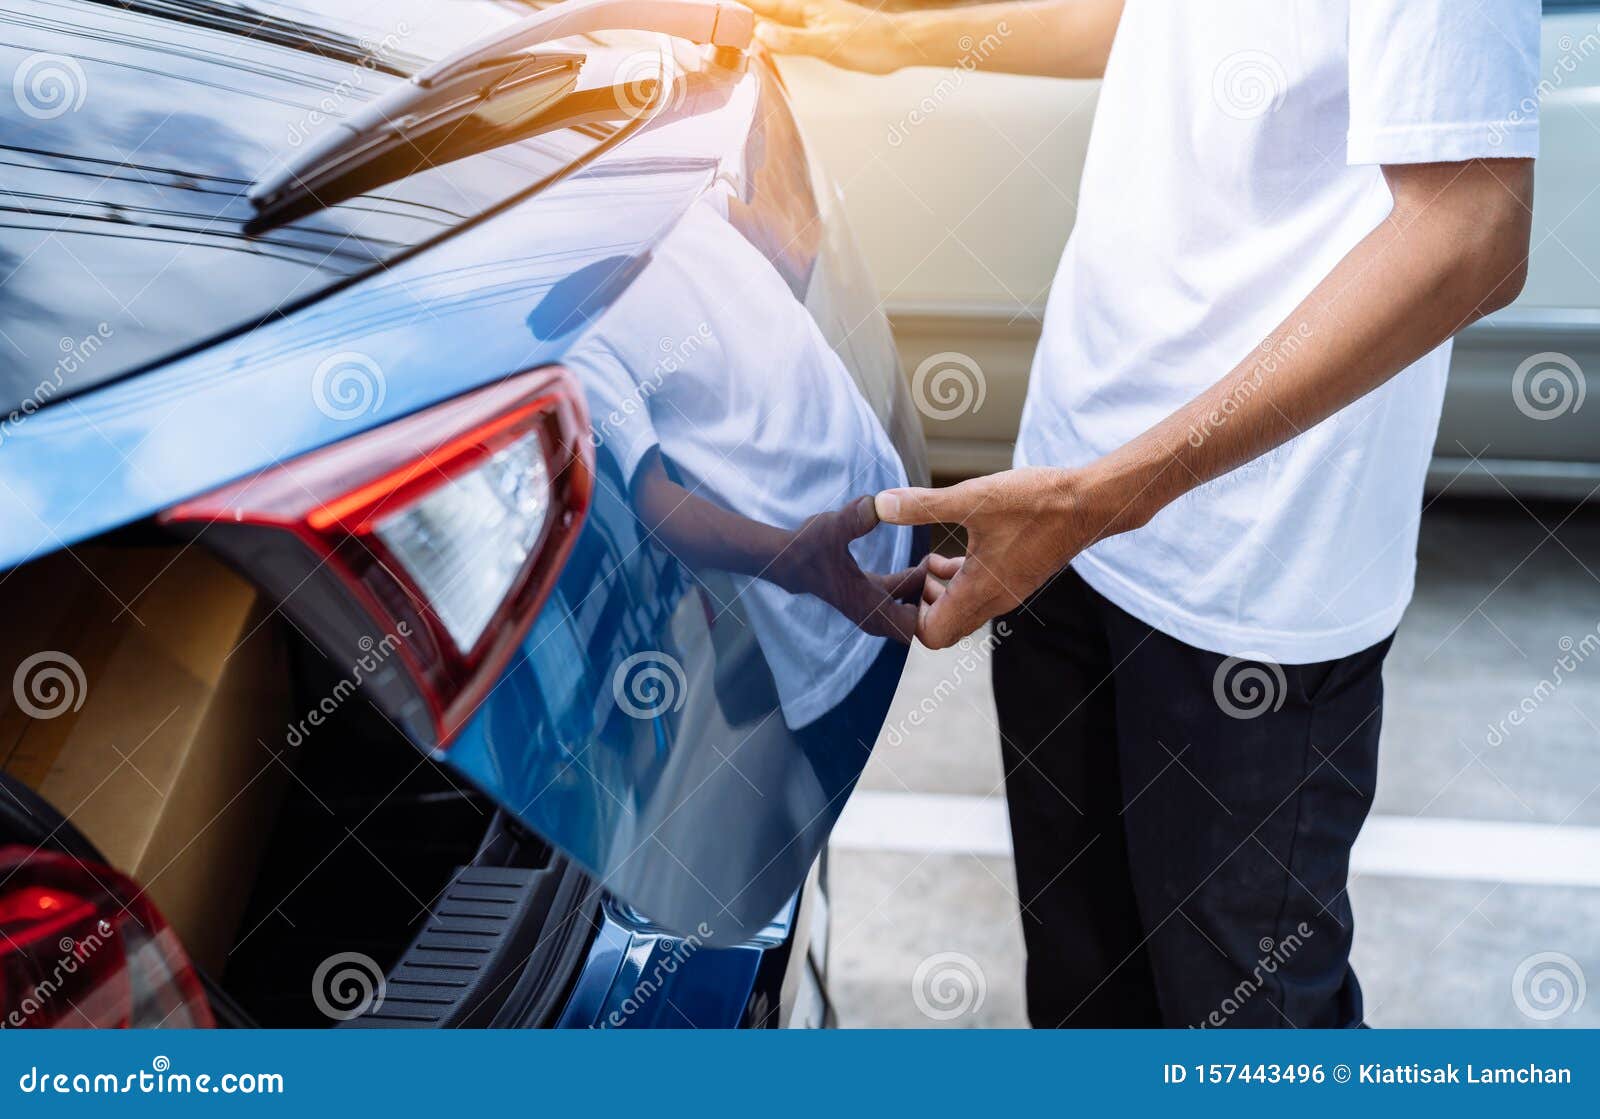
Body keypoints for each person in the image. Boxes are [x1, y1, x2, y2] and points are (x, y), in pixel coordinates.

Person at [749, 0, 1540, 1027]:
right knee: (1086, 1009)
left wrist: (1097, 499)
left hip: (1247, 584)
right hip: (1067, 511)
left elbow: (1475, 229)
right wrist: (887, 39)